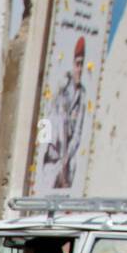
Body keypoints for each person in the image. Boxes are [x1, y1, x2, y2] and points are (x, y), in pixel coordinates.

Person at [40, 35, 88, 191]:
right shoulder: (62, 90)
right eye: (77, 64)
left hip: (66, 163)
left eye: (82, 64)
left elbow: (78, 133)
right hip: (52, 157)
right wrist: (47, 146)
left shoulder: (81, 95)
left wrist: (67, 158)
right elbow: (47, 117)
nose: (79, 69)